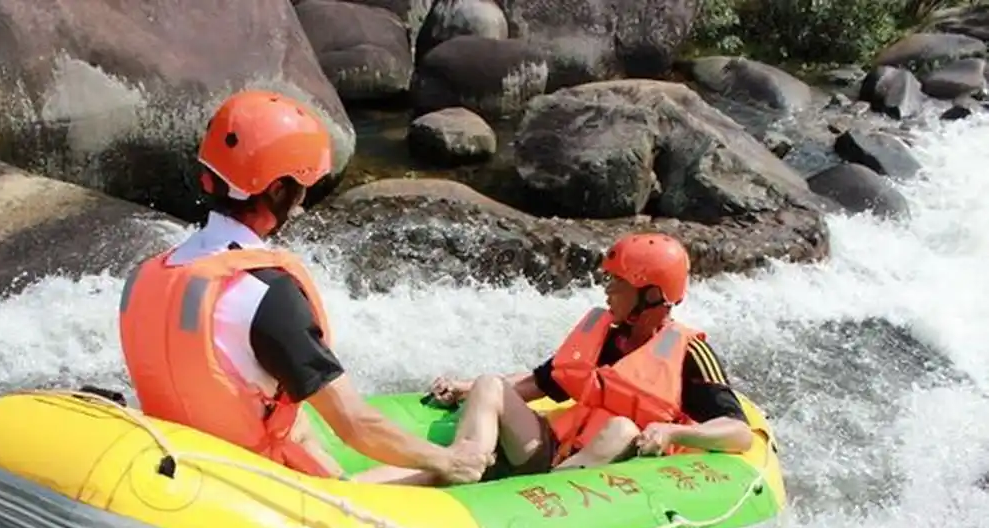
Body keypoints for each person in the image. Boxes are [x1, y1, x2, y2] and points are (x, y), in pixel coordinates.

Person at [117, 89, 490, 485]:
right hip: (249, 487)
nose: (302, 200)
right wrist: (449, 461)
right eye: (302, 185)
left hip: (175, 463)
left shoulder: (146, 275)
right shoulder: (265, 293)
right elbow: (354, 424)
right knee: (440, 472)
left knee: (297, 422)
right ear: (277, 190)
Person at [424, 232, 754, 481]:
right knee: (489, 385)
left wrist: (673, 433)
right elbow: (538, 383)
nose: (607, 289)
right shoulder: (605, 336)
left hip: (612, 475)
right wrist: (466, 388)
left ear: (651, 295)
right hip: (556, 446)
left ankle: (545, 492)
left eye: (618, 282)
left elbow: (738, 432)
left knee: (622, 428)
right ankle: (462, 465)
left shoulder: (690, 353)